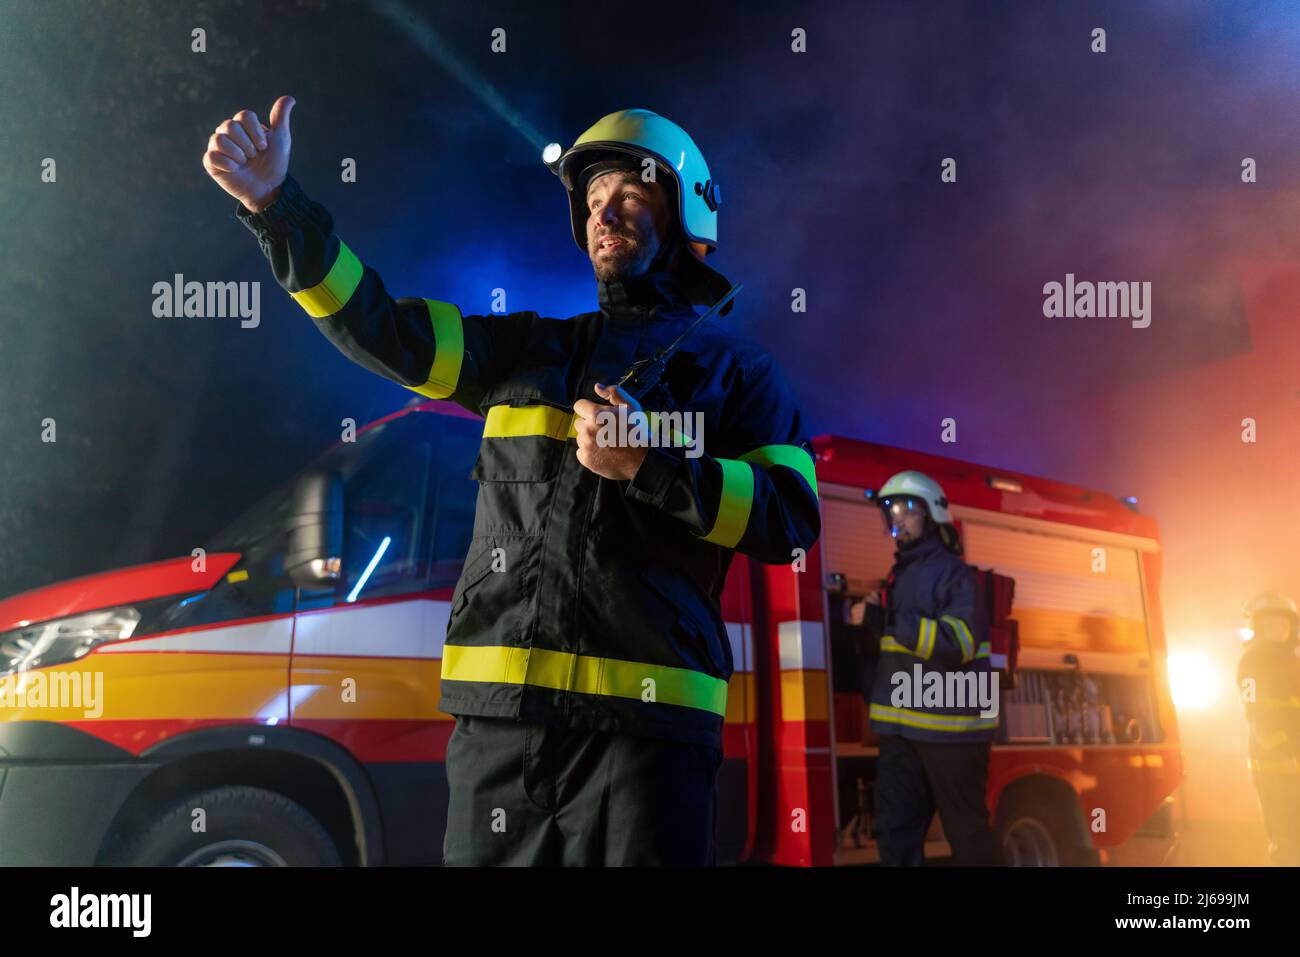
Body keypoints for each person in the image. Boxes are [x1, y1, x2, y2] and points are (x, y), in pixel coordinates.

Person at [202, 98, 821, 865]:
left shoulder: (739, 373)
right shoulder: (523, 350)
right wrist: (276, 206)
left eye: (630, 193)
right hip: (500, 733)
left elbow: (791, 518)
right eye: (593, 201)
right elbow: (382, 327)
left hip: (645, 742)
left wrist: (651, 465)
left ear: (686, 210)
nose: (606, 212)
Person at [851, 470, 1002, 865]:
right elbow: (896, 653)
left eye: (904, 508)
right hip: (901, 732)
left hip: (950, 733)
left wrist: (885, 621)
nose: (895, 518)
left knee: (968, 838)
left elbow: (960, 643)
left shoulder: (954, 574)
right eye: (889, 511)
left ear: (931, 514)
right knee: (895, 837)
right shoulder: (899, 576)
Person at [1236, 591, 1300, 866]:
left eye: (1284, 623)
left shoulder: (1293, 663)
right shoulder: (1251, 663)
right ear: (1257, 628)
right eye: (1272, 623)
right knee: (1286, 837)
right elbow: (1256, 713)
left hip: (1294, 759)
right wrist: (1283, 753)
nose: (1280, 628)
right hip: (1275, 764)